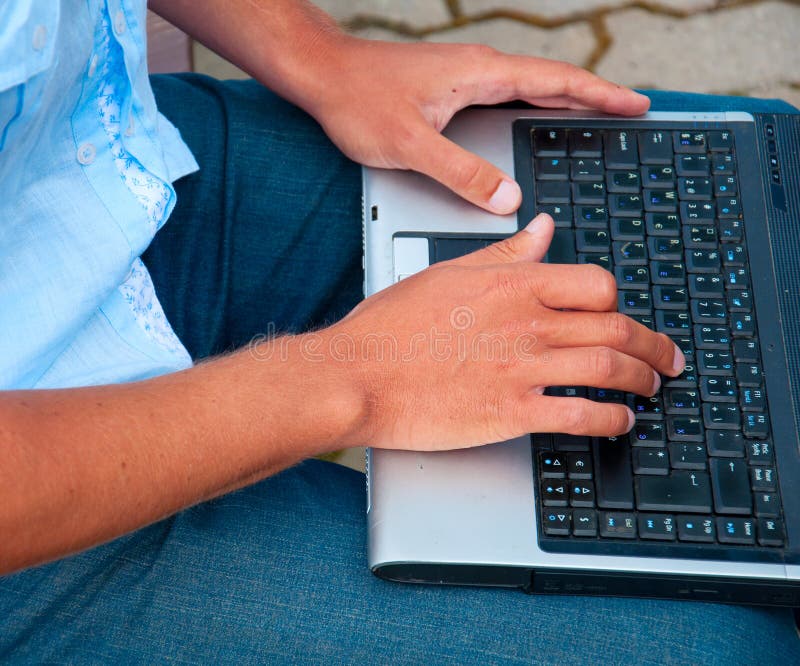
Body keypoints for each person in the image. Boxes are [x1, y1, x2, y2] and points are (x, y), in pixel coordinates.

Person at [0, 0, 798, 661]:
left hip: (91, 160)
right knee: (722, 646)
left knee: (756, 170)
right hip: (33, 508)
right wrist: (359, 376)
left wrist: (317, 54)